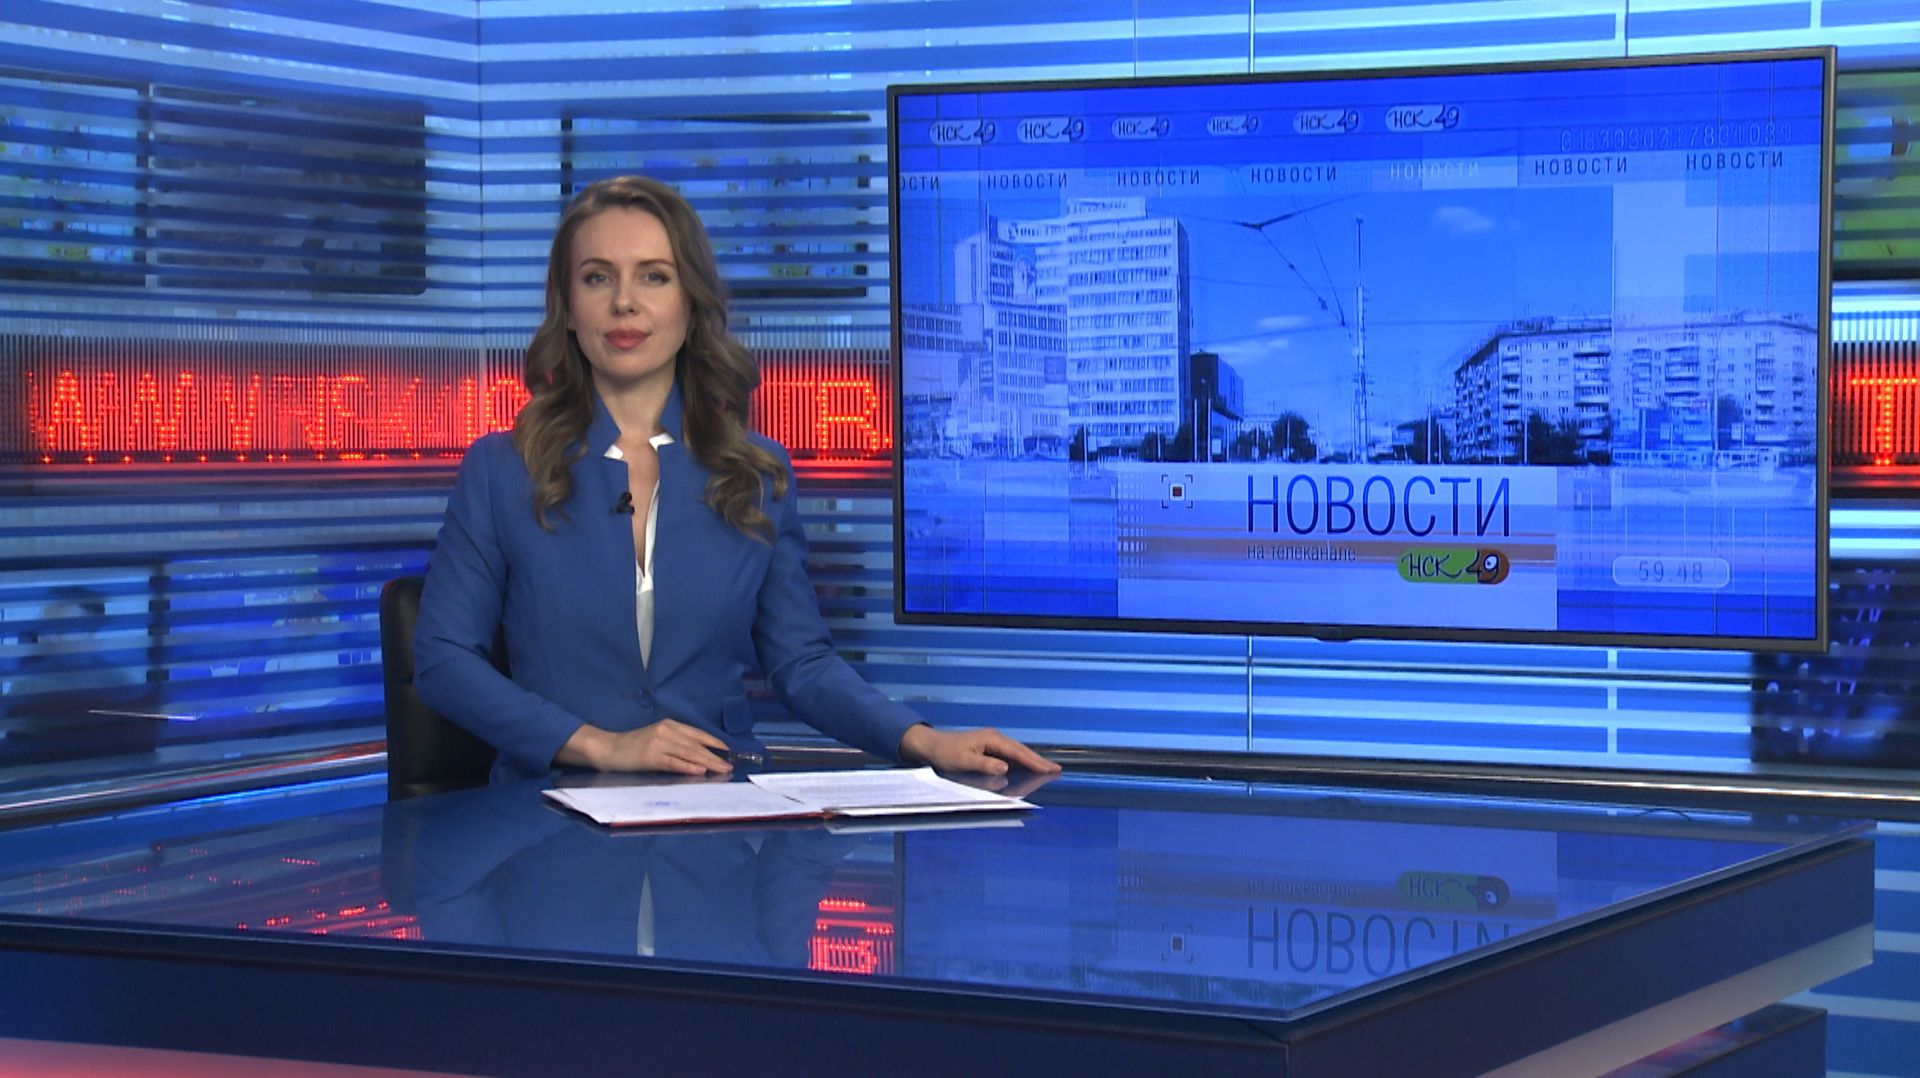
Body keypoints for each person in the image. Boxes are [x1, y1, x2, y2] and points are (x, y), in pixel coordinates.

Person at [414, 175, 1058, 783]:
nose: (624, 301)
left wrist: (923, 740)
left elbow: (800, 664)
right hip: (546, 820)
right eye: (597, 277)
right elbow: (443, 659)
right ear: (568, 306)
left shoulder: (754, 476)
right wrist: (601, 745)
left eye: (654, 276)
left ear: (691, 301)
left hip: (717, 810)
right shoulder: (502, 470)